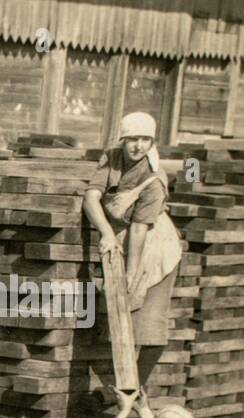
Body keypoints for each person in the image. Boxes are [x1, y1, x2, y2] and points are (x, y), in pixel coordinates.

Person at [83, 111, 182, 387]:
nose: (138, 146)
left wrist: (132, 272)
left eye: (145, 140)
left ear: (152, 142)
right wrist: (106, 234)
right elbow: (91, 197)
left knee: (148, 320)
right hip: (122, 235)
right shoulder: (112, 157)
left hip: (155, 244)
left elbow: (140, 229)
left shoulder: (154, 177)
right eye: (132, 139)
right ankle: (120, 387)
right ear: (122, 140)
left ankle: (132, 391)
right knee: (118, 316)